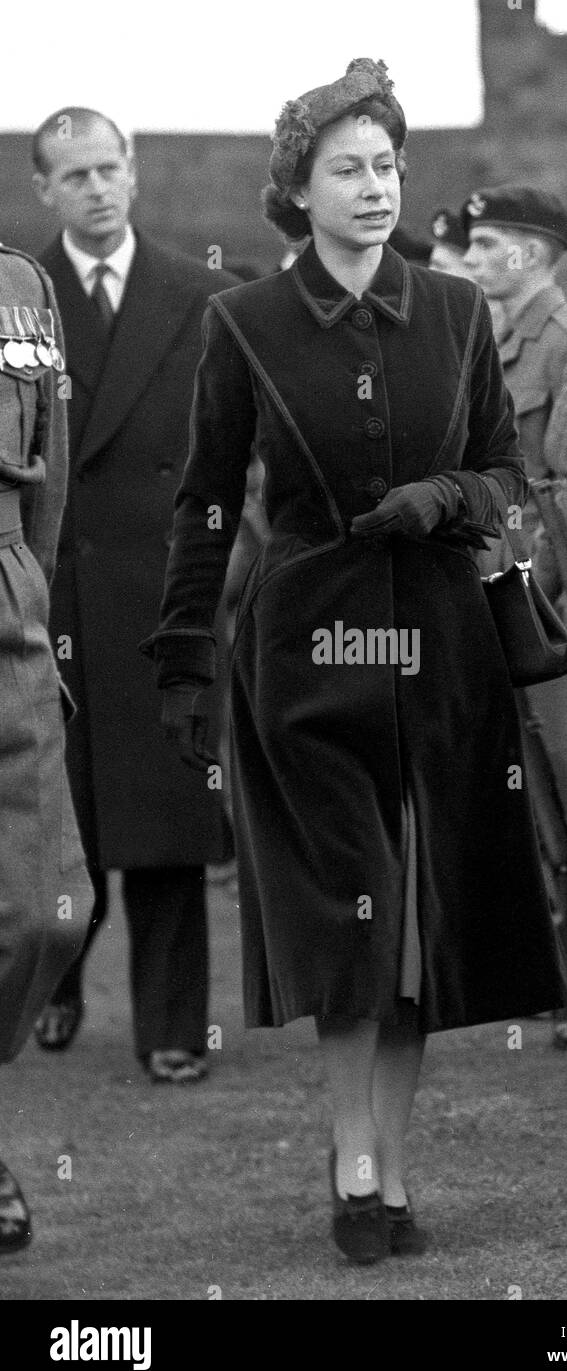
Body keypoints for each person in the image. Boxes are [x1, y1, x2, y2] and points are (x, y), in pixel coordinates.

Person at [143, 56, 562, 1263]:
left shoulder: (458, 311)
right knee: (353, 921)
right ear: (299, 189)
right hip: (305, 658)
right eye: (349, 169)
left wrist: (447, 494)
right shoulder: (242, 324)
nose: (377, 188)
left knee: (421, 920)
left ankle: (393, 1168)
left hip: (446, 659)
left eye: (388, 166)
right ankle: (352, 1159)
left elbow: (507, 476)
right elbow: (206, 502)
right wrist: (180, 654)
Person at [30, 107, 237, 1080]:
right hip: (51, 591)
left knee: (162, 812)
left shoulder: (200, 293)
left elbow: (237, 456)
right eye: (75, 176)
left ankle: (171, 1022)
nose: (98, 188)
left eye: (110, 169)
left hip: (164, 592)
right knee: (54, 810)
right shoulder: (16, 299)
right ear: (46, 191)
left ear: (135, 172)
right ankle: (55, 984)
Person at [461, 184, 567, 1012]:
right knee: (535, 799)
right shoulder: (484, 342)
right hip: (501, 590)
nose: (474, 258)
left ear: (528, 253)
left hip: (548, 602)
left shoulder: (566, 341)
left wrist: (543, 597)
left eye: (488, 244)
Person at [0, 240, 93, 1251]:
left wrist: (32, 606)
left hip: (8, 595)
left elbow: (50, 469)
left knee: (48, 912)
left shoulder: (19, 286)